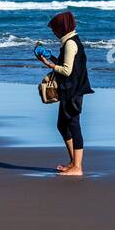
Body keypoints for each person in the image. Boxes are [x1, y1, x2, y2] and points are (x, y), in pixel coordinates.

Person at [36, 10, 95, 176]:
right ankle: (73, 162)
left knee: (73, 125)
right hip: (69, 89)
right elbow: (66, 64)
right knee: (62, 125)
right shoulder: (68, 41)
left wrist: (49, 64)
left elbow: (67, 70)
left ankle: (78, 167)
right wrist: (49, 58)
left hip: (73, 90)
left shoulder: (70, 43)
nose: (54, 32)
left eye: (55, 29)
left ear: (62, 27)